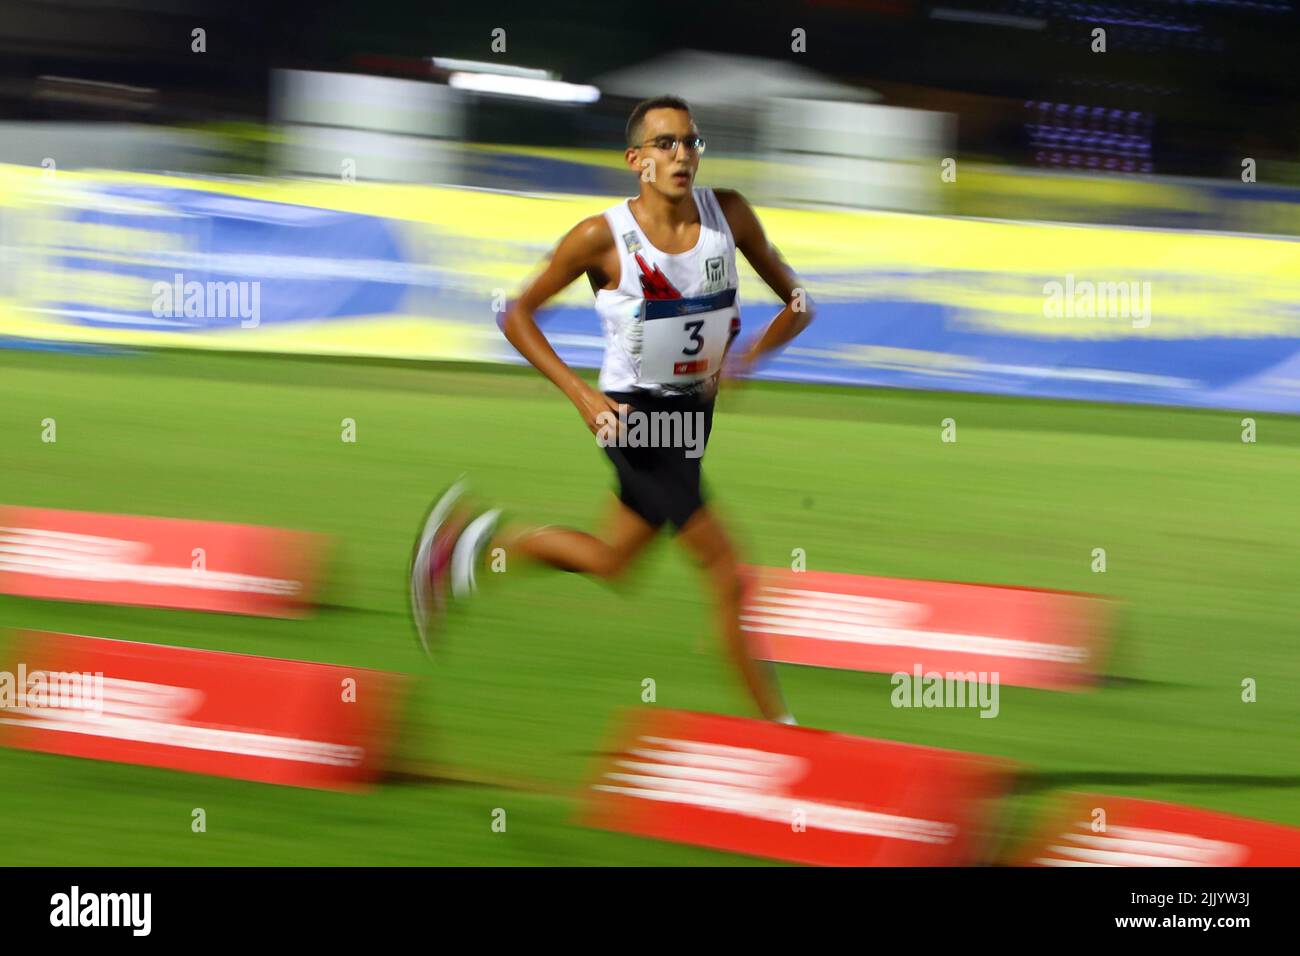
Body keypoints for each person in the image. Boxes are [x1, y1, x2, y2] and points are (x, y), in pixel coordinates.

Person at [409, 94, 814, 723]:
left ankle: (465, 546)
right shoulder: (603, 237)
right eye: (666, 144)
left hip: (691, 419)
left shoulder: (728, 215)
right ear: (636, 160)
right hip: (633, 418)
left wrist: (747, 359)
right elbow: (514, 314)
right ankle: (783, 735)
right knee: (730, 574)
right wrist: (582, 396)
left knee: (613, 560)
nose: (683, 154)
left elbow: (799, 303)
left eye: (691, 142)